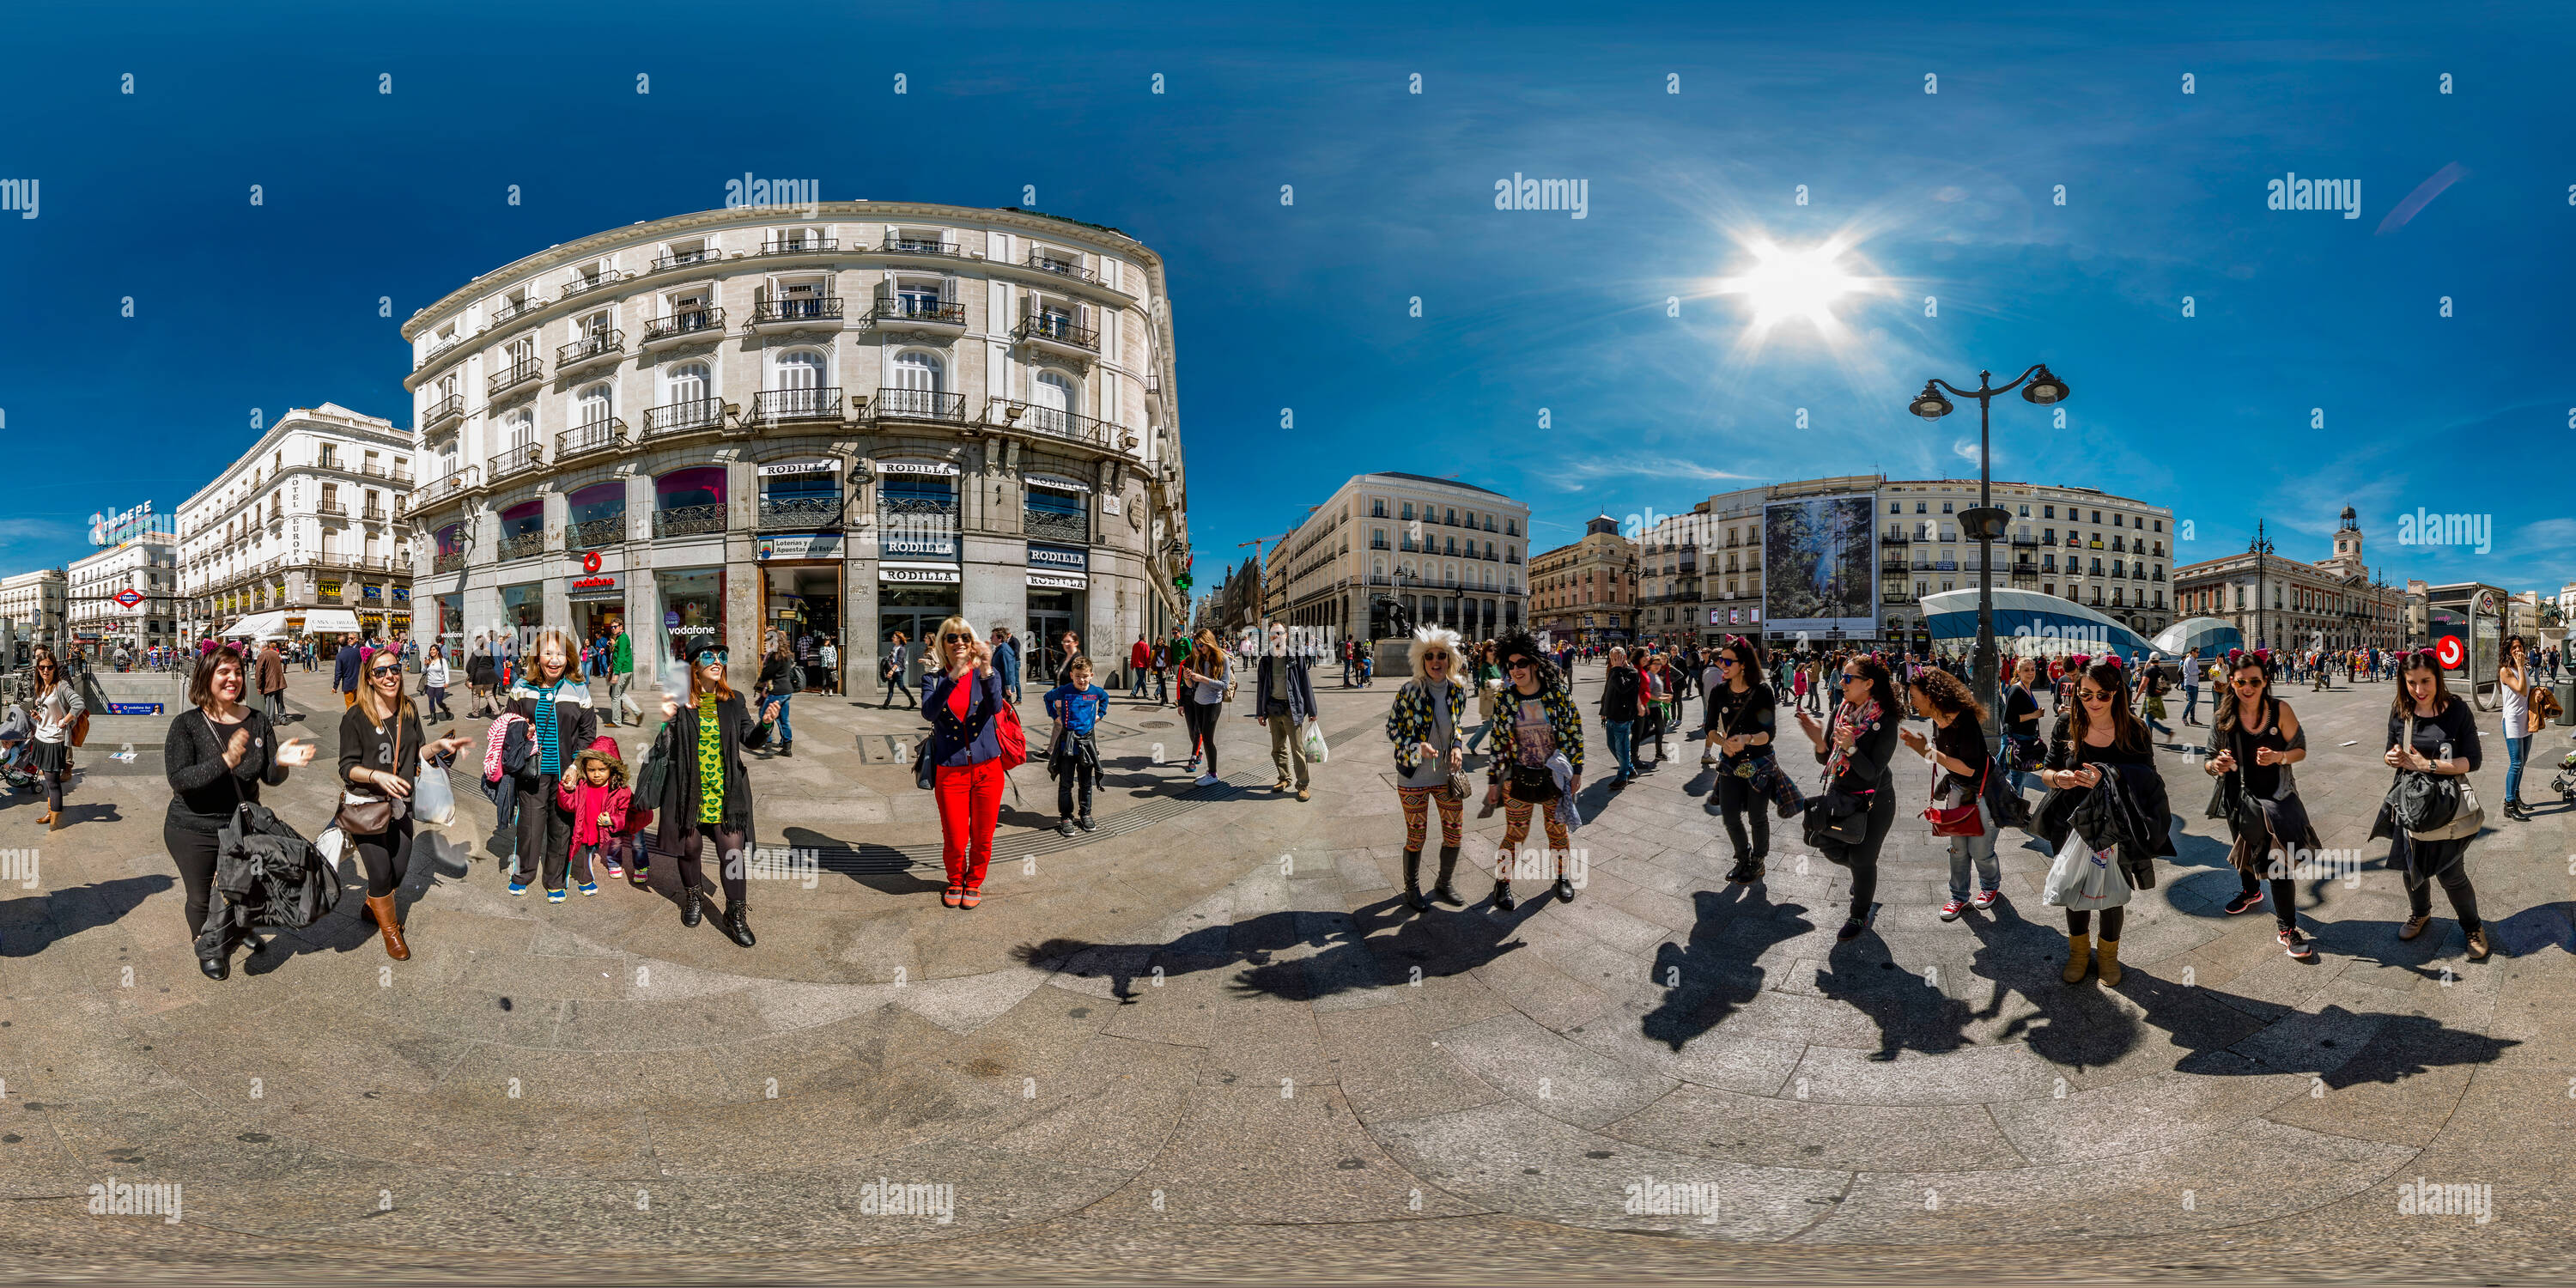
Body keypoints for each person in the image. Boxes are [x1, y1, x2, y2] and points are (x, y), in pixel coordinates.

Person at [163, 647, 319, 980]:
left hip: (242, 826)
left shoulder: (258, 720)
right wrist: (225, 761)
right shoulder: (186, 724)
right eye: (223, 672)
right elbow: (180, 780)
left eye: (236, 671)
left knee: (243, 886)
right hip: (193, 827)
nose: (232, 678)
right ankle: (207, 945)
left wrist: (281, 762)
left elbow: (270, 778)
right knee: (202, 895)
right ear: (206, 677)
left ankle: (235, 930)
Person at [2036, 660, 2169, 983]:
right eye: (2086, 695)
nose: (2094, 702)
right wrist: (2059, 778)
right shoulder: (2066, 723)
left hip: (2117, 824)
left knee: (2113, 893)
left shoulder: (2135, 729)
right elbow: (2046, 770)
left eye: (2103, 695)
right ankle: (2079, 953)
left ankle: (2109, 957)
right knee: (2075, 890)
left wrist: (2111, 775)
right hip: (2072, 823)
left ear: (2117, 694)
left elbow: (2151, 778)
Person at [341, 649, 472, 958]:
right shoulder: (356, 716)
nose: (389, 676)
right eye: (380, 672)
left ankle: (373, 905)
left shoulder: (409, 709)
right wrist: (376, 776)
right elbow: (347, 767)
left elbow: (416, 755)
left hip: (401, 804)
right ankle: (391, 932)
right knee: (381, 873)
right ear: (369, 679)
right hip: (367, 807)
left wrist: (438, 746)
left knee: (399, 872)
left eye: (394, 670)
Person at [648, 647, 775, 945]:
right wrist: (665, 722)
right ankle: (693, 896)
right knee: (689, 849)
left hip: (725, 791)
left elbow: (749, 740)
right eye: (709, 657)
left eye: (722, 656)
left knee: (732, 853)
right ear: (694, 665)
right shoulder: (679, 700)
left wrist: (766, 725)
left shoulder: (734, 700)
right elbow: (661, 750)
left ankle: (736, 914)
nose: (717, 661)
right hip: (686, 790)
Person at [2203, 653, 2322, 958]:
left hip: (2276, 798)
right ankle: (2251, 891)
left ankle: (2287, 928)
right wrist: (2217, 763)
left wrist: (2279, 757)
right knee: (2244, 851)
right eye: (2241, 682)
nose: (2248, 688)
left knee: (2279, 862)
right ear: (2232, 681)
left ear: (2265, 681)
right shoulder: (2223, 716)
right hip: (2238, 798)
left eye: (2255, 682)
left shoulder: (2280, 710)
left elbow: (2300, 750)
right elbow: (2208, 760)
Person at [2373, 650, 2489, 959]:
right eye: (2411, 683)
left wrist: (2428, 765)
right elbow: (2389, 753)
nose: (2419, 690)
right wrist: (2393, 758)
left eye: (2426, 681)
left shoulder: (2456, 710)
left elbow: (2473, 761)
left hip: (2445, 803)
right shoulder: (2401, 710)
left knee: (2452, 874)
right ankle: (2420, 913)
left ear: (2437, 677)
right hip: (2410, 803)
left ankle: (2473, 927)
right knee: (2410, 868)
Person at [1795, 657, 1902, 941]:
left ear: (1868, 684)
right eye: (1842, 676)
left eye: (1847, 678)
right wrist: (1819, 741)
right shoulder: (1841, 710)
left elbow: (1872, 772)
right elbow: (1826, 757)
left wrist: (1852, 748)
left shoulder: (1886, 720)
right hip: (1841, 795)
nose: (1841, 681)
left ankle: (1859, 914)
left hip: (1875, 801)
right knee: (1827, 846)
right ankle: (1862, 878)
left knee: (1863, 859)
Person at [1485, 631, 1583, 910]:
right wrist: (1494, 780)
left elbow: (1573, 730)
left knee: (1558, 831)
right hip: (1518, 776)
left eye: (1521, 663)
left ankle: (1562, 877)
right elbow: (1498, 742)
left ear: (1535, 664)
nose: (1516, 670)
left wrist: (1577, 769)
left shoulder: (1557, 692)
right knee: (1515, 832)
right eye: (1511, 665)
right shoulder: (1505, 698)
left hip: (1553, 776)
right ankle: (1502, 882)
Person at [1901, 666, 2006, 922]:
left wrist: (1925, 751)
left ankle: (1990, 885)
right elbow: (1950, 763)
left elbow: (1969, 768)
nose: (1911, 701)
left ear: (1931, 695)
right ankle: (1959, 896)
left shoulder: (1964, 719)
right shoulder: (1937, 720)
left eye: (1914, 696)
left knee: (1981, 850)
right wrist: (1927, 750)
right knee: (1957, 849)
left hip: (1985, 791)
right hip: (1958, 790)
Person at [502, 629, 598, 902]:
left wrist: (577, 766)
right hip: (532, 772)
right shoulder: (522, 686)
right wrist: (523, 731)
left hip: (567, 773)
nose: (554, 660)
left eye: (560, 654)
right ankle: (522, 874)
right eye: (548, 653)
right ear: (537, 657)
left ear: (568, 658)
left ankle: (556, 880)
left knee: (562, 828)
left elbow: (587, 732)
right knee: (529, 828)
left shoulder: (578, 689)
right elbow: (508, 724)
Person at [920, 618, 1010, 908]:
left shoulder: (986, 673)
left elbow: (996, 706)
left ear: (973, 642)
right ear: (942, 644)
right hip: (950, 769)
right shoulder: (933, 677)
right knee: (956, 838)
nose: (959, 642)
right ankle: (956, 879)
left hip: (988, 769)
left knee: (982, 836)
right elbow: (929, 712)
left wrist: (985, 667)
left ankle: (974, 882)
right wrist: (954, 675)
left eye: (965, 637)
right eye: (952, 638)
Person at [1387, 627, 1472, 911]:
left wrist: (1458, 747)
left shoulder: (1457, 691)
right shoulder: (1409, 691)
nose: (1436, 661)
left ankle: (1444, 883)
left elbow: (1456, 725)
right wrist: (1415, 745)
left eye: (1442, 656)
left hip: (1446, 777)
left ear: (1450, 659)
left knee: (1454, 832)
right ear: (1422, 660)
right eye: (1430, 656)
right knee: (1417, 835)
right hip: (1413, 777)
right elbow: (1392, 728)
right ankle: (1411, 888)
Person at [1708, 637, 1783, 884]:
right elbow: (1709, 729)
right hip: (1730, 763)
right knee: (1729, 815)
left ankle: (1758, 862)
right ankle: (1742, 857)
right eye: (1721, 660)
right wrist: (1723, 743)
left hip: (1758, 763)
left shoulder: (1762, 691)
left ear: (1743, 664)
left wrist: (1747, 739)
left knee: (1757, 817)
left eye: (1728, 661)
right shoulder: (1719, 691)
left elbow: (1768, 734)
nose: (1722, 665)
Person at [557, 738, 635, 896]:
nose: (597, 775)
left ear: (612, 768)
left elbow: (626, 813)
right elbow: (569, 805)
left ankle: (610, 865)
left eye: (602, 769)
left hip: (604, 831)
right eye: (591, 770)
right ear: (584, 769)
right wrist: (565, 789)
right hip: (584, 830)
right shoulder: (582, 786)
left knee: (601, 849)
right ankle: (585, 879)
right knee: (584, 854)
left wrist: (612, 819)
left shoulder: (620, 790)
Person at [1045, 654, 1109, 834]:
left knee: (1086, 783)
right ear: (1072, 675)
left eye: (1085, 675)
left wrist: (1100, 715)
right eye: (1078, 676)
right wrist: (1056, 717)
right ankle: (1066, 816)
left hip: (1087, 744)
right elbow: (1047, 698)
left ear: (1091, 675)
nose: (1081, 680)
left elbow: (1105, 698)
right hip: (1067, 744)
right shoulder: (1065, 690)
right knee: (1066, 783)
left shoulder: (1096, 692)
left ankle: (1086, 814)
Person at [1255, 622, 1319, 800]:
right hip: (1273, 708)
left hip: (1292, 709)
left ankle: (1303, 784)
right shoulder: (1266, 659)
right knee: (1277, 748)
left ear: (1286, 635)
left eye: (1279, 633)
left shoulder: (1295, 657)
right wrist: (1260, 712)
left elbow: (1306, 684)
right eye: (1273, 634)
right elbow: (1261, 687)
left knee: (1297, 748)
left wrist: (1312, 710)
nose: (1277, 637)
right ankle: (1284, 778)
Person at [24, 648, 85, 830]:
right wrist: (39, 717)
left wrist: (64, 722)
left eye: (49, 667)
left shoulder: (61, 686)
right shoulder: (42, 686)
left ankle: (55, 818)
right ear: (37, 669)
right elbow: (48, 712)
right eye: (42, 667)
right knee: (47, 780)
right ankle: (51, 811)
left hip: (54, 739)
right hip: (42, 736)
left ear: (54, 669)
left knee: (52, 781)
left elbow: (79, 704)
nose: (45, 671)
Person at [1178, 629, 1231, 787]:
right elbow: (1192, 684)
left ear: (1208, 641)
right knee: (1201, 735)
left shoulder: (1222, 659)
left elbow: (1224, 685)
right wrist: (1188, 678)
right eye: (1197, 645)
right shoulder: (1199, 659)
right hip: (1198, 702)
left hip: (1213, 704)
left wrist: (1204, 679)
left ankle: (1213, 774)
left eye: (1201, 645)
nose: (1199, 648)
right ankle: (1209, 772)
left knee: (1208, 740)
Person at [2497, 635, 2534, 821]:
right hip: (2512, 720)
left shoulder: (2523, 668)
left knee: (2524, 760)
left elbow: (2528, 692)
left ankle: (2516, 796)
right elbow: (2522, 690)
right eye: (2514, 648)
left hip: (2525, 719)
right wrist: (2520, 666)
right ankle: (2509, 803)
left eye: (2520, 647)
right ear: (2508, 651)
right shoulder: (2506, 671)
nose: (2518, 651)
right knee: (2516, 762)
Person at [2000, 657, 2046, 799]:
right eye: (2026, 670)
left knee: (2020, 777)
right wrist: (2034, 715)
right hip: (2018, 740)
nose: (2031, 673)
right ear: (2018, 672)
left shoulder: (2026, 689)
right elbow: (2008, 718)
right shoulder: (2016, 690)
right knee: (2018, 779)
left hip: (2025, 739)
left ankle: (2017, 809)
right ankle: (2015, 811)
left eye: (2032, 669)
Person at [1597, 646, 1643, 784]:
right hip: (1610, 714)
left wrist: (1616, 669)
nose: (1613, 661)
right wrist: (1603, 710)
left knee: (1622, 748)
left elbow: (1622, 688)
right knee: (1611, 744)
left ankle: (1623, 777)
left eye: (1615, 658)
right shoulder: (1613, 671)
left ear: (1623, 657)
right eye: (1611, 658)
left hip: (1623, 717)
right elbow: (1608, 691)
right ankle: (1629, 768)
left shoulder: (1632, 673)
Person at [756, 642, 796, 756]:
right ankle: (787, 748)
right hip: (787, 690)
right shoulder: (787, 655)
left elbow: (767, 673)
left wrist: (764, 676)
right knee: (784, 719)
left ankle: (767, 741)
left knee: (763, 714)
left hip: (777, 691)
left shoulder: (776, 656)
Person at [605, 620, 640, 726]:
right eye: (612, 627)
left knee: (615, 696)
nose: (613, 629)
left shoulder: (623, 638)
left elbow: (621, 657)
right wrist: (611, 665)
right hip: (624, 669)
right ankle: (638, 713)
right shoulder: (620, 638)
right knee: (621, 694)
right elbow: (617, 655)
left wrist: (616, 673)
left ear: (621, 626)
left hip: (622, 670)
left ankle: (616, 721)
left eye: (615, 627)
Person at [255, 638, 289, 725]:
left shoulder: (262, 655)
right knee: (280, 702)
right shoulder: (275, 653)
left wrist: (259, 686)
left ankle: (270, 721)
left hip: (269, 683)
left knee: (270, 704)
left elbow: (259, 672)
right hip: (279, 681)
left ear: (261, 647)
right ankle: (283, 718)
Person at [880, 630, 917, 709]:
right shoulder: (894, 647)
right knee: (890, 688)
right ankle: (886, 704)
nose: (892, 638)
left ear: (899, 639)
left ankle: (912, 701)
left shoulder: (902, 649)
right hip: (892, 670)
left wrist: (891, 671)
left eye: (894, 637)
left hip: (898, 671)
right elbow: (891, 659)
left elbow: (899, 662)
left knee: (901, 687)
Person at [991, 624, 1023, 705]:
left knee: (1007, 709)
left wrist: (1008, 687)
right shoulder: (1000, 648)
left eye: (993, 636)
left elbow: (1009, 669)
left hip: (1003, 687)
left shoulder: (1004, 650)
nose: (991, 638)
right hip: (1000, 685)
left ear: (1000, 638)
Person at [421, 643, 453, 721]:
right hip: (430, 685)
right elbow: (423, 672)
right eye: (431, 650)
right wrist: (425, 665)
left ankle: (446, 710)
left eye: (434, 649)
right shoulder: (429, 660)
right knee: (431, 701)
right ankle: (433, 718)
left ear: (438, 651)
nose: (432, 651)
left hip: (440, 685)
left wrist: (447, 682)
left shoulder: (442, 661)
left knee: (439, 702)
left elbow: (446, 672)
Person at [333, 633, 362, 708]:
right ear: (348, 641)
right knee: (359, 706)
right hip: (359, 683)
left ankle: (351, 720)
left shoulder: (340, 656)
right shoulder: (358, 652)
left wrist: (335, 686)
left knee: (350, 707)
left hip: (348, 684)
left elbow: (338, 673)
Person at [2179, 648, 2202, 726]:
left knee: (2194, 702)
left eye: (2198, 652)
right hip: (2190, 684)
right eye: (2197, 652)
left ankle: (2192, 719)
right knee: (2192, 701)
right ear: (2192, 652)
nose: (2198, 654)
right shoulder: (2189, 660)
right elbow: (2192, 672)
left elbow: (2195, 671)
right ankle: (2184, 717)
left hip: (2195, 683)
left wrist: (2199, 673)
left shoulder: (2194, 660)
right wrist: (2199, 672)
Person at [1129, 636, 1154, 701]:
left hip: (1136, 665)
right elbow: (1147, 656)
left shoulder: (1135, 645)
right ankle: (1133, 693)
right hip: (1142, 665)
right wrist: (1148, 665)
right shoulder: (1145, 645)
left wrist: (1132, 665)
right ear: (1144, 638)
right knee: (1140, 679)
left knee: (1141, 679)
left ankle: (1145, 693)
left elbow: (1133, 655)